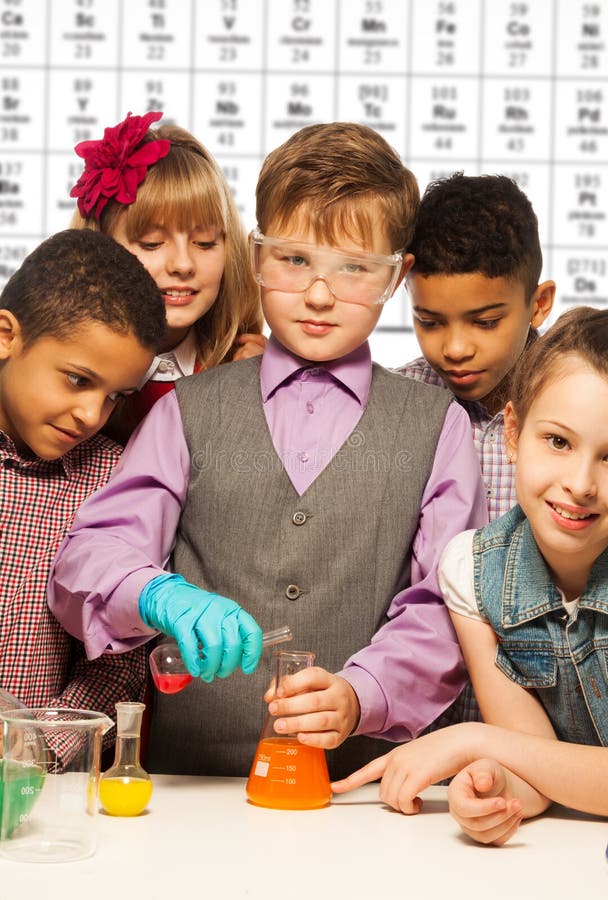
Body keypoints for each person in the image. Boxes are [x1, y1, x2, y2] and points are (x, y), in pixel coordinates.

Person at [48, 122, 487, 779]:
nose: (318, 294)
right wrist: (154, 593)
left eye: (355, 269)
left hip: (357, 797)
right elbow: (89, 556)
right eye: (295, 259)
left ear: (398, 276)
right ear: (254, 256)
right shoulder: (185, 412)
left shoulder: (438, 427)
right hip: (183, 789)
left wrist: (364, 692)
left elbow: (446, 607)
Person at [332, 306, 608, 843]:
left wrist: (472, 739)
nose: (580, 483)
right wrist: (490, 788)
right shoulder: (473, 570)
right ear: (512, 432)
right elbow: (534, 768)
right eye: (558, 441)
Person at [0, 228, 166, 764]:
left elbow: (117, 663)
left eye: (115, 396)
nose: (93, 416)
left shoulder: (111, 481)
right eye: (77, 380)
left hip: (39, 789)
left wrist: (40, 751)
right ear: (6, 336)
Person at [70, 110, 265, 444]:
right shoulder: (62, 369)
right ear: (98, 249)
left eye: (204, 243)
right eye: (152, 243)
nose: (183, 264)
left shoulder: (244, 368)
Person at [398, 172, 555, 521]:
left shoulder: (580, 400)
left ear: (539, 304)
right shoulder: (395, 404)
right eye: (430, 322)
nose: (455, 349)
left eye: (485, 323)